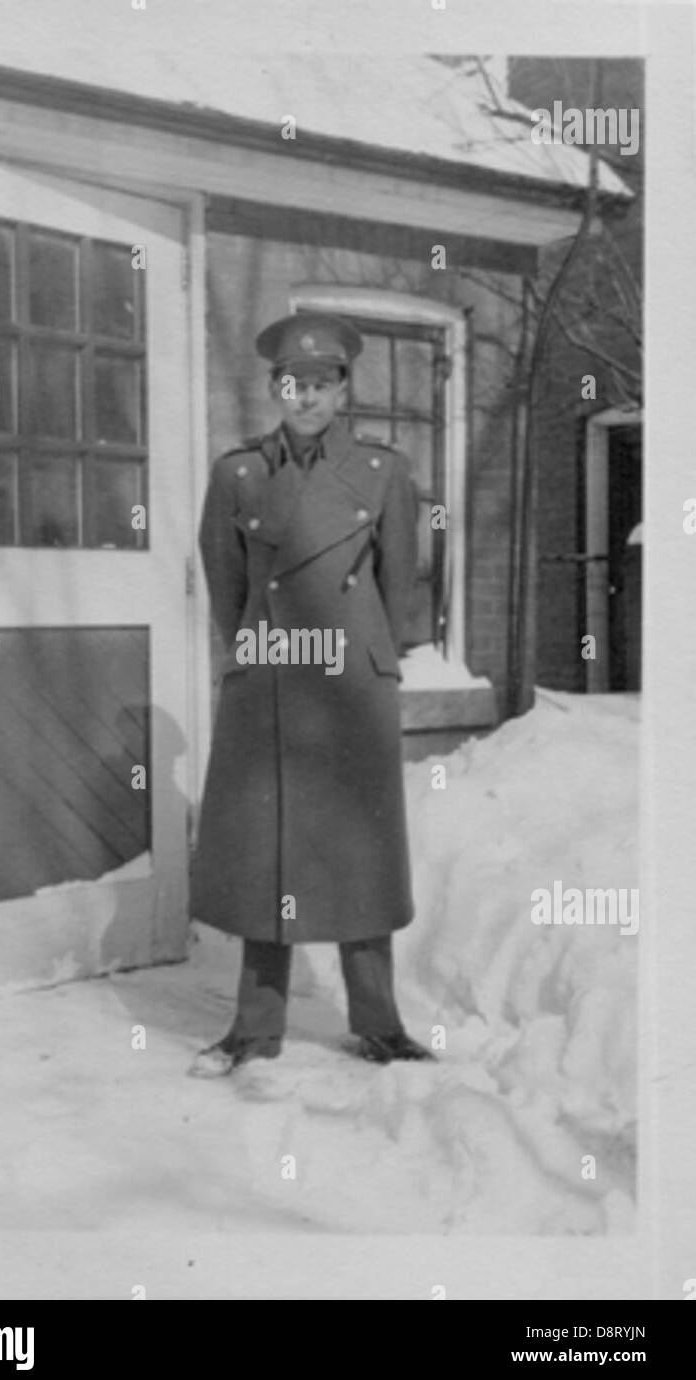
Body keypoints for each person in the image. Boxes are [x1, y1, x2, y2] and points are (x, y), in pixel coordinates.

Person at [188, 310, 433, 1077]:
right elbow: (224, 584)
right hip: (267, 676)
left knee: (358, 850)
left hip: (348, 686)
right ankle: (254, 1030)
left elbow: (402, 584)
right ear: (275, 388)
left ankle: (380, 1026)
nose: (306, 396)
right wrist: (258, 653)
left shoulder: (382, 472)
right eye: (293, 383)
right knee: (267, 851)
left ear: (341, 391)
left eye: (322, 383)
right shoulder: (237, 473)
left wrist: (367, 657)